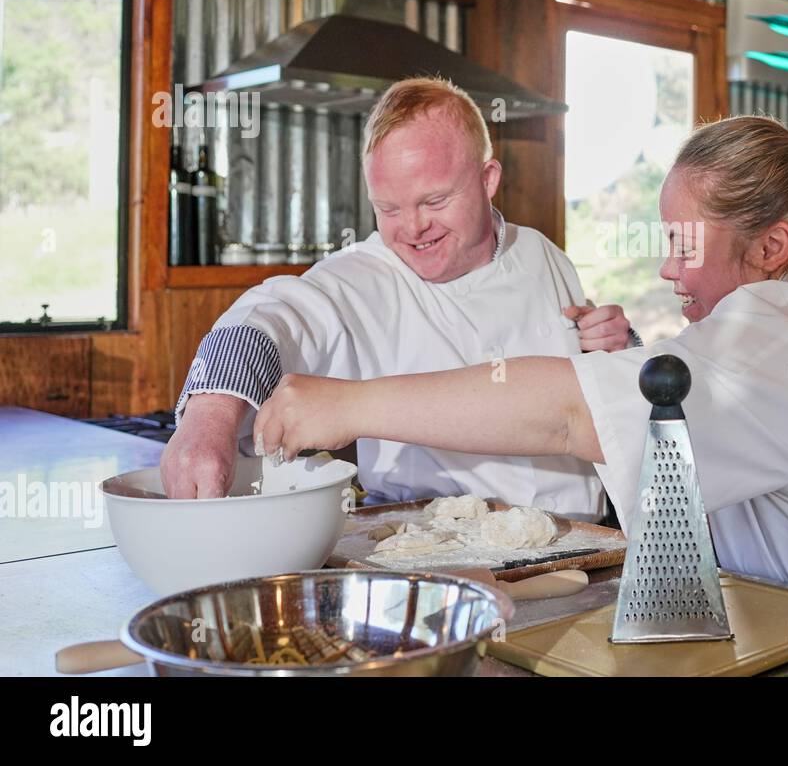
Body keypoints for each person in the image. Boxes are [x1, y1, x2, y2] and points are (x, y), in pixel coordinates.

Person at [253, 115, 788, 636]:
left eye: (683, 244)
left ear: (773, 248)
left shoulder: (781, 324)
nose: (669, 270)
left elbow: (567, 416)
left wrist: (346, 405)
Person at [161, 77, 636, 521]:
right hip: (434, 549)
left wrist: (617, 343)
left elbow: (603, 397)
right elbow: (270, 316)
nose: (412, 228)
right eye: (388, 208)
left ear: (487, 179)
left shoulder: (542, 253)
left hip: (586, 543)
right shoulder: (364, 275)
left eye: (434, 202)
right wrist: (208, 417)